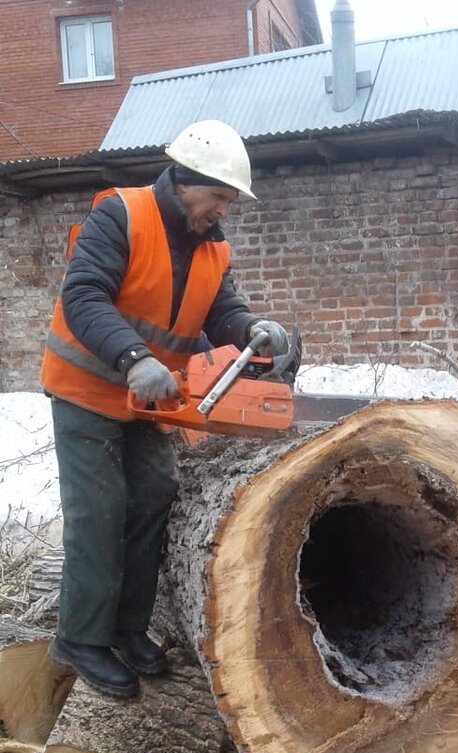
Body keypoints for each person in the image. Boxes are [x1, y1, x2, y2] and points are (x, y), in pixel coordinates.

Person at [41, 120, 289, 699]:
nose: (223, 212)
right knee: (100, 511)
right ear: (186, 181)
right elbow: (83, 296)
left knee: (153, 500)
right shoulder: (121, 215)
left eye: (229, 202)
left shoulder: (212, 246)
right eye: (220, 198)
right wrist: (131, 357)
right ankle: (80, 637)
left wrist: (251, 327)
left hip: (151, 401)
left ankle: (127, 628)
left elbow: (220, 309)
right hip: (87, 388)